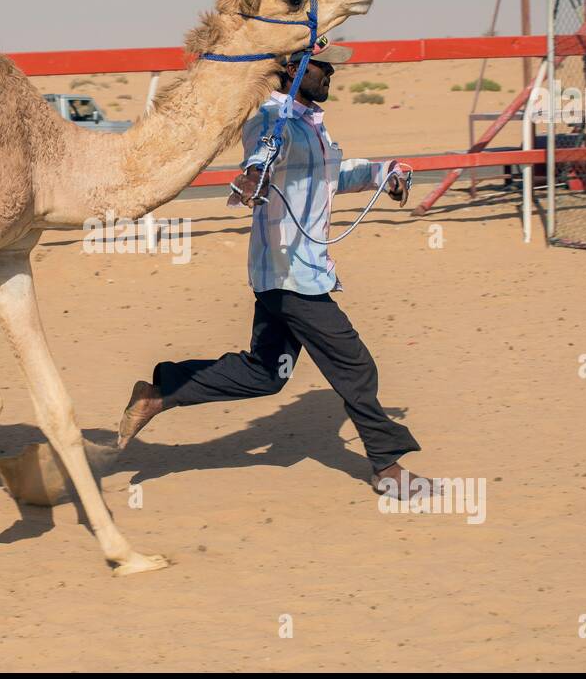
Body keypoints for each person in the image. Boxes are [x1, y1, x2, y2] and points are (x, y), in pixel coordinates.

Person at [116, 40, 434, 498]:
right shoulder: (273, 119)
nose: (332, 74)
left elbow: (327, 176)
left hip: (285, 275)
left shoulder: (307, 122)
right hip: (293, 277)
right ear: (294, 66)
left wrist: (383, 172)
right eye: (324, 66)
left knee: (267, 374)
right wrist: (251, 178)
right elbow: (261, 158)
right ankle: (388, 468)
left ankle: (161, 391)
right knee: (355, 367)